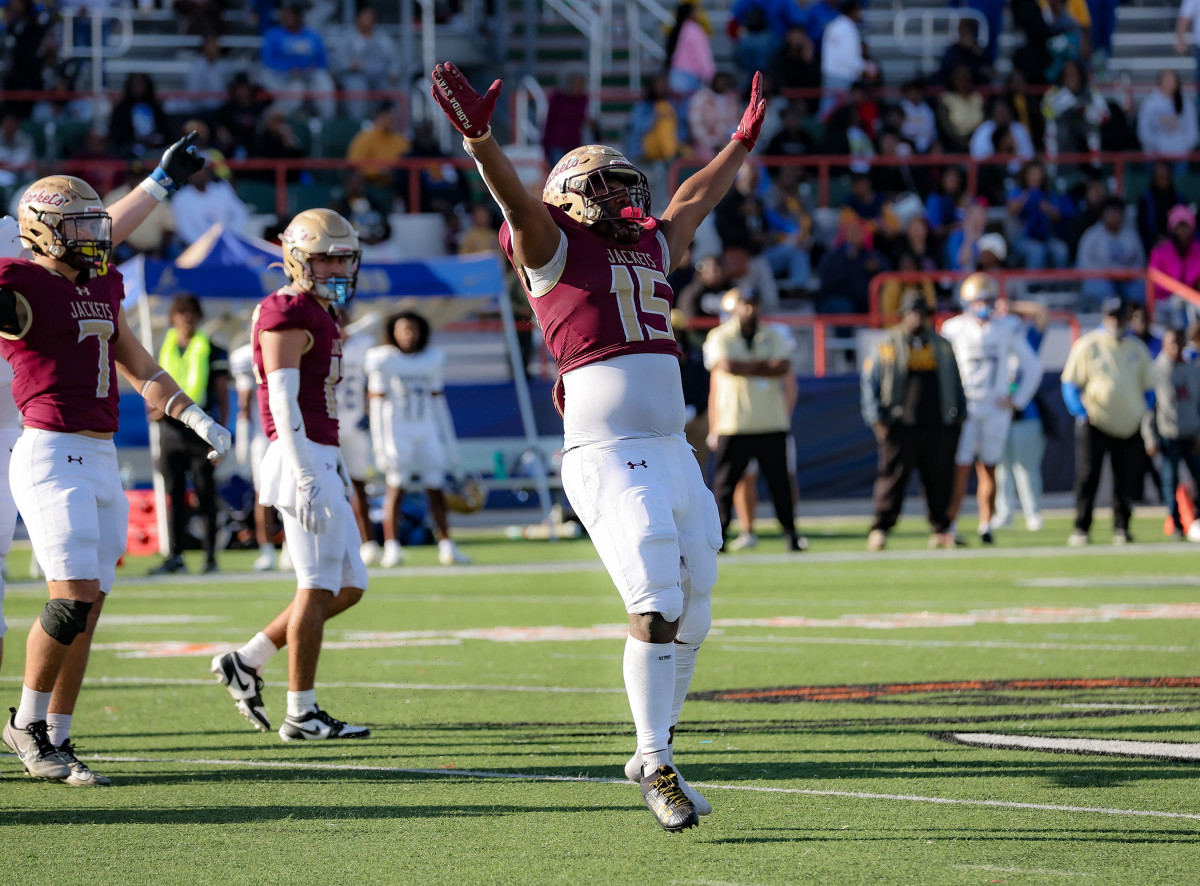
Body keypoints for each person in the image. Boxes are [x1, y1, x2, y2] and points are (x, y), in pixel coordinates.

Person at [430, 59, 768, 831]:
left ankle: (661, 743)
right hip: (608, 448)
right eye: (604, 187)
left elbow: (691, 197)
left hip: (671, 445)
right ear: (569, 201)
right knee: (654, 594)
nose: (621, 196)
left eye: (626, 185)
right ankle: (653, 760)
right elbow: (516, 199)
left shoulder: (649, 244)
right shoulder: (552, 244)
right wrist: (481, 140)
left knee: (699, 603)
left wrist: (742, 144)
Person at [0, 170, 230, 786]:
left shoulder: (101, 284)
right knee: (69, 600)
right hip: (50, 452)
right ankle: (26, 724)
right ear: (42, 233)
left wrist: (198, 417)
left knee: (91, 607)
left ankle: (61, 736)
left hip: (103, 459)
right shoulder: (18, 282)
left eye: (94, 222)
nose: (93, 234)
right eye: (77, 224)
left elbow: (140, 365)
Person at [211, 208, 369, 741]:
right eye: (324, 258)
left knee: (349, 586)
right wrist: (305, 472)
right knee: (317, 585)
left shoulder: (319, 310)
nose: (335, 269)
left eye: (343, 258)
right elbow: (280, 398)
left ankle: (248, 659)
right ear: (298, 259)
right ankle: (301, 712)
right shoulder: (287, 309)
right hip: (297, 453)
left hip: (321, 452)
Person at [941, 273, 1042, 544]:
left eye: (987, 299)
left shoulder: (1006, 327)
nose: (982, 305)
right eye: (978, 300)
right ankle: (950, 523)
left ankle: (986, 524)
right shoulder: (953, 328)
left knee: (989, 468)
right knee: (960, 468)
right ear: (966, 302)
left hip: (995, 407)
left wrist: (1016, 399)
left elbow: (1032, 366)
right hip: (965, 408)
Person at [861, 291, 967, 550]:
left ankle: (941, 528)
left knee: (939, 479)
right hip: (900, 424)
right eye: (912, 313)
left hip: (938, 424)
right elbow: (870, 383)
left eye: (921, 313)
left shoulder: (942, 345)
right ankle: (880, 528)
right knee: (892, 479)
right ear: (902, 316)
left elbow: (955, 381)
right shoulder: (887, 344)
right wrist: (877, 419)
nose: (917, 318)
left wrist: (959, 415)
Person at [703, 287, 806, 551]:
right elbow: (726, 366)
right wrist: (763, 366)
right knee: (725, 487)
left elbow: (782, 366)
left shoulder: (773, 334)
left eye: (754, 304)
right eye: (745, 304)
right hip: (733, 423)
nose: (750, 310)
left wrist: (743, 366)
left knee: (780, 485)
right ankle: (720, 538)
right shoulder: (720, 336)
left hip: (770, 422)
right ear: (735, 307)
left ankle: (791, 534)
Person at [365, 311, 470, 568]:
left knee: (435, 487)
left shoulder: (432, 359)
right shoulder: (383, 360)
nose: (408, 335)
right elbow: (376, 406)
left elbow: (439, 403)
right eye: (403, 330)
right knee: (396, 488)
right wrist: (380, 445)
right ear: (393, 333)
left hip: (426, 429)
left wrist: (450, 443)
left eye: (413, 329)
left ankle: (446, 545)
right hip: (398, 431)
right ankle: (392, 546)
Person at [1061, 296, 1155, 545]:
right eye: (1111, 316)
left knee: (1125, 477)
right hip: (1096, 421)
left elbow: (1150, 386)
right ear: (1104, 317)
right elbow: (1070, 383)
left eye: (1120, 316)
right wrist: (1080, 412)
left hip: (1129, 423)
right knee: (1088, 475)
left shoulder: (1137, 348)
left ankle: (1122, 527)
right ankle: (1082, 527)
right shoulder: (1088, 345)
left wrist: (1143, 410)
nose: (1116, 321)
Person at [149, 294, 230, 575]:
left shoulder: (213, 349)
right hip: (170, 430)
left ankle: (210, 556)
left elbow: (221, 391)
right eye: (181, 313)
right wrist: (154, 408)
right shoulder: (164, 347)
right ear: (172, 317)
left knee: (206, 493)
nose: (186, 318)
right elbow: (151, 383)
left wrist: (222, 428)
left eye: (190, 313)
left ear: (198, 316)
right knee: (174, 493)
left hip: (201, 429)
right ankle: (176, 555)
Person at [994, 300, 1051, 532]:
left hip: (1025, 413)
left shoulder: (1025, 339)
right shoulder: (991, 339)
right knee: (1001, 468)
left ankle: (1032, 512)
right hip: (998, 412)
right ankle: (1004, 513)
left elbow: (1042, 312)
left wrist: (1012, 307)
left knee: (1026, 467)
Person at [1144, 328, 1200, 539]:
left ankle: (1197, 519)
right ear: (1164, 345)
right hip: (1169, 434)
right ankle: (1175, 522)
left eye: (1179, 344)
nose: (1176, 349)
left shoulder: (1193, 371)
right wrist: (1150, 437)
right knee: (1170, 479)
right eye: (1171, 344)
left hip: (1192, 434)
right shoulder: (1155, 371)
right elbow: (1149, 408)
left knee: (1198, 477)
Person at [230, 341, 278, 571]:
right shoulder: (247, 356)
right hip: (264, 434)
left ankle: (293, 547)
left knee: (298, 492)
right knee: (264, 494)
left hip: (292, 431)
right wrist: (242, 439)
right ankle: (266, 548)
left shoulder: (292, 343)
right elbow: (244, 405)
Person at [335, 308, 375, 559]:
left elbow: (374, 382)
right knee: (321, 485)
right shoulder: (313, 342)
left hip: (354, 421)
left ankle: (367, 541)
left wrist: (369, 412)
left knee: (358, 483)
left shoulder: (364, 345)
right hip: (324, 423)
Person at [259, 3, 336, 119]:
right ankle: (273, 119)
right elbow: (269, 60)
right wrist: (289, 68)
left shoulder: (312, 35)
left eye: (289, 15)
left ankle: (327, 120)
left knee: (325, 83)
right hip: (282, 75)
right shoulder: (273, 34)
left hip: (308, 73)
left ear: (298, 16)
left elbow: (322, 60)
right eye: (284, 15)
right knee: (297, 90)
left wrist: (311, 67)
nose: (285, 18)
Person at [1076, 196, 1147, 311]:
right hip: (1100, 279)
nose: (1113, 216)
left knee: (1138, 290)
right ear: (1103, 214)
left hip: (1127, 279)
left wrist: (1128, 273)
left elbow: (1140, 261)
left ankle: (1135, 321)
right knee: (1103, 291)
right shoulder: (1091, 235)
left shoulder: (1131, 235)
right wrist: (1106, 272)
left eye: (1117, 212)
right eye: (1110, 212)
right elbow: (1083, 264)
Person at [1148, 204, 1200, 330]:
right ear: (1172, 228)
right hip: (1165, 300)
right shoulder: (1160, 250)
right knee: (1178, 305)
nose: (1182, 231)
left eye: (1185, 226)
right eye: (1179, 226)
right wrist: (1178, 291)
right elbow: (1154, 278)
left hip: (1193, 298)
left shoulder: (1198, 249)